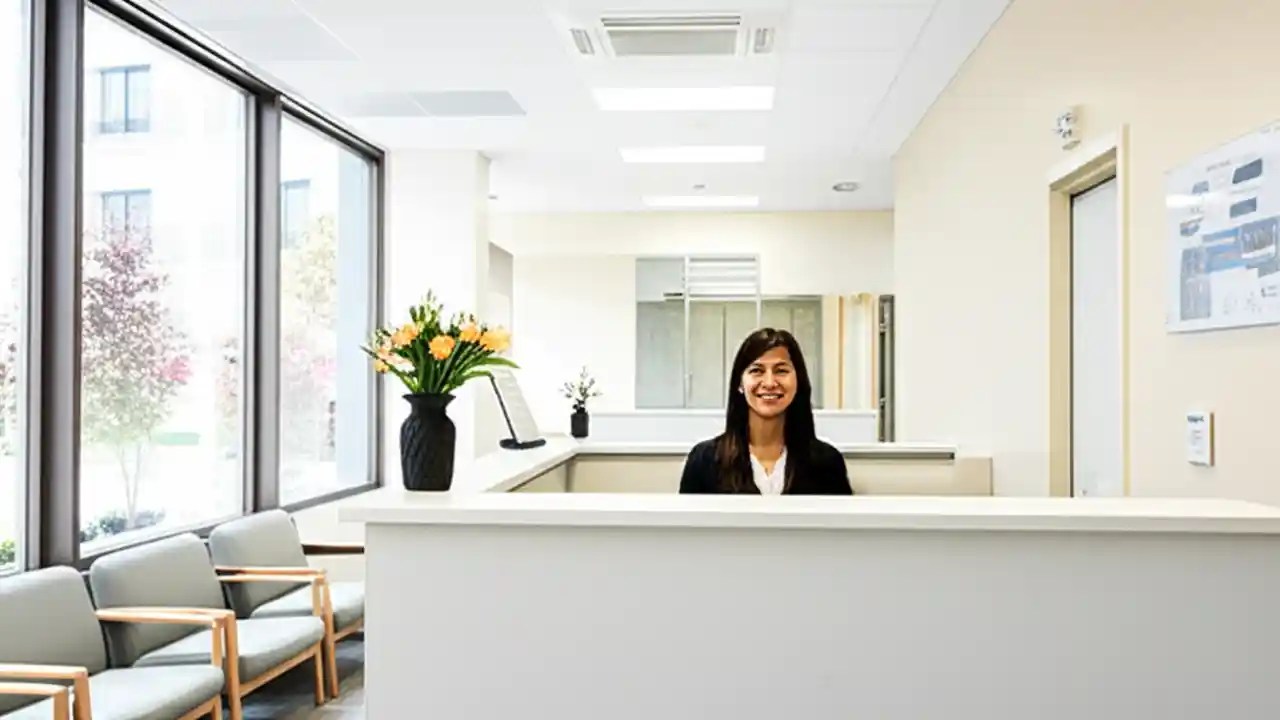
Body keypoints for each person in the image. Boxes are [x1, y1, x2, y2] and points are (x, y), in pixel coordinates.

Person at [679, 327, 852, 495]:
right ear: (740, 383)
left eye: (781, 371)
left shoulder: (826, 462)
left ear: (798, 381)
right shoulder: (704, 460)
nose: (769, 383)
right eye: (757, 371)